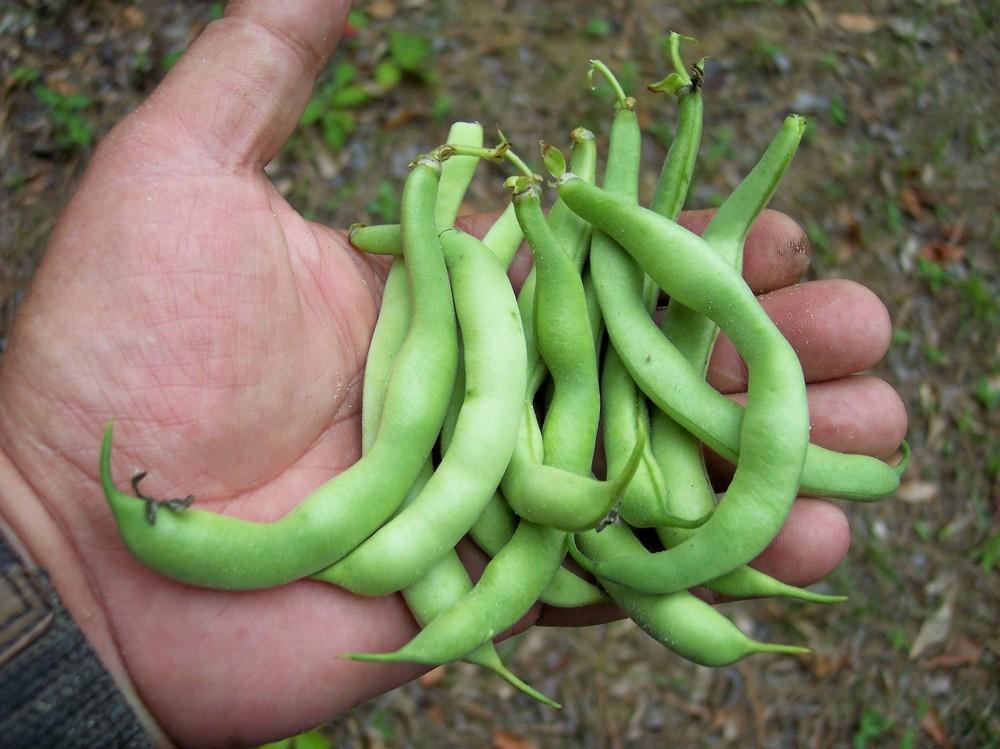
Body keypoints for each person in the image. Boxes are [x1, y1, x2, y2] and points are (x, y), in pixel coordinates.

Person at [0, 3, 908, 747]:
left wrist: (42, 548)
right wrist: (46, 530)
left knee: (608, 348)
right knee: (537, 365)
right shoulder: (468, 265)